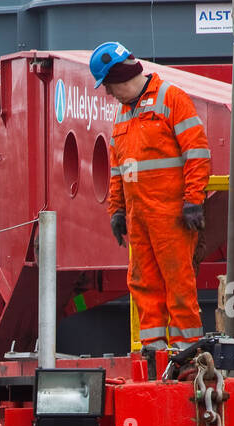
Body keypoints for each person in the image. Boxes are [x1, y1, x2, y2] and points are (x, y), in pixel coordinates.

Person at [93, 41, 212, 350]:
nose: (109, 93)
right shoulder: (122, 115)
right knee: (144, 285)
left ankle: (188, 355)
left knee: (178, 285)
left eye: (108, 86)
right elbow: (119, 169)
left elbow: (197, 152)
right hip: (140, 217)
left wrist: (193, 201)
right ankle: (154, 355)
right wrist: (117, 211)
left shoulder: (171, 99)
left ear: (119, 76)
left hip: (170, 215)